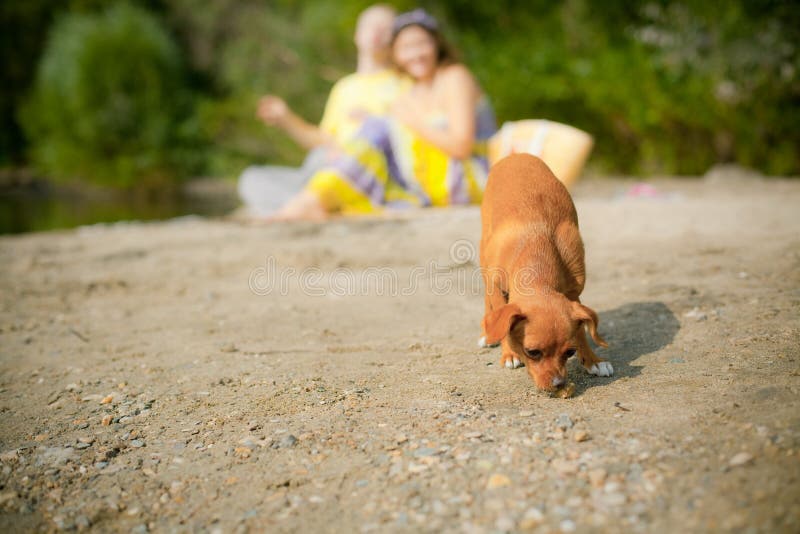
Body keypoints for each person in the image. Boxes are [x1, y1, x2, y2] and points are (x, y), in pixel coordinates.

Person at [273, 8, 497, 220]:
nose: (415, 53)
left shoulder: (454, 76)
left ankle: (313, 201)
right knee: (373, 130)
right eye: (406, 47)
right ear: (395, 54)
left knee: (378, 129)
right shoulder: (411, 91)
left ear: (436, 44)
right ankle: (316, 200)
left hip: (469, 177)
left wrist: (406, 121)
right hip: (430, 180)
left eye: (421, 44)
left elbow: (461, 146)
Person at [238, 4, 407, 217]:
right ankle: (312, 203)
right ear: (357, 35)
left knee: (322, 161)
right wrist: (286, 118)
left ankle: (306, 205)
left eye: (385, 28)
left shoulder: (404, 83)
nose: (376, 33)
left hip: (367, 171)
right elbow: (322, 139)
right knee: (252, 178)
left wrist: (372, 126)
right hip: (323, 166)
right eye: (370, 26)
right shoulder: (344, 88)